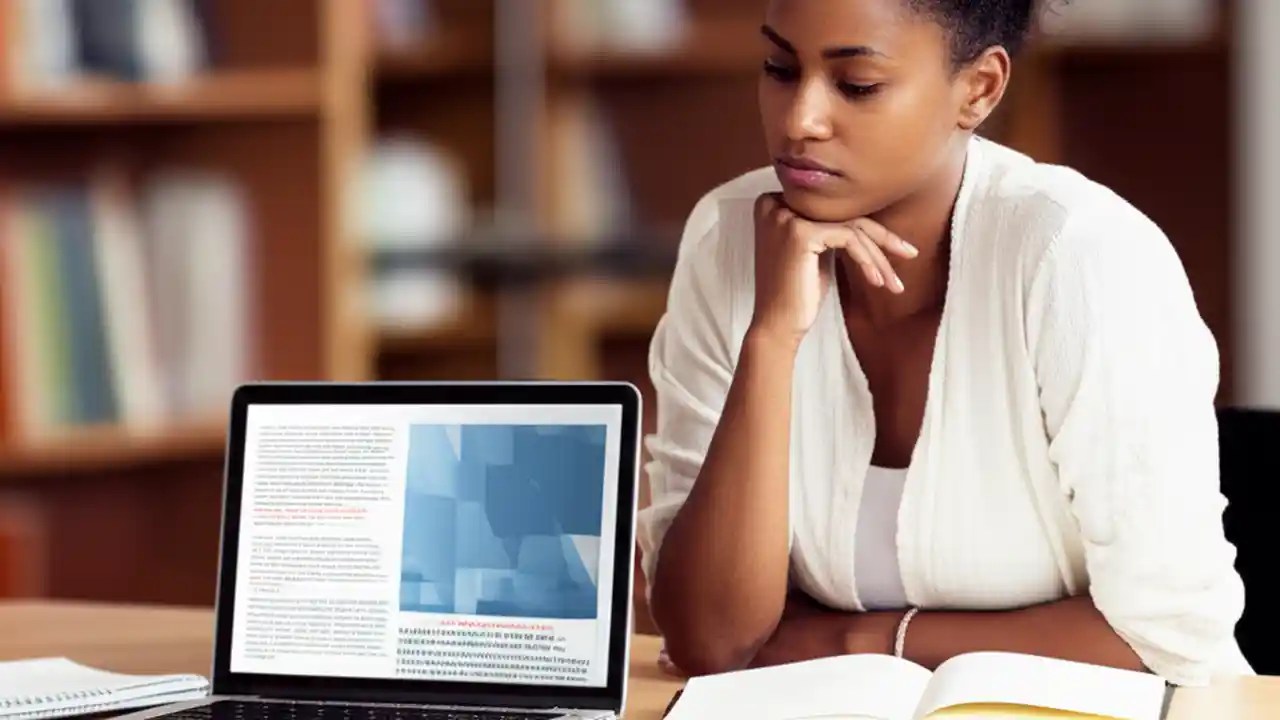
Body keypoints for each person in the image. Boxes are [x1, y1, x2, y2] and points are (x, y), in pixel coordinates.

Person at [638, 0, 1251, 687]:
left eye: (857, 85)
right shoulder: (729, 239)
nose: (798, 120)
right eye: (780, 68)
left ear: (979, 89)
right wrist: (772, 339)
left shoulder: (1079, 255)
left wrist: (854, 638)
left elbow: (1174, 639)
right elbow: (708, 641)